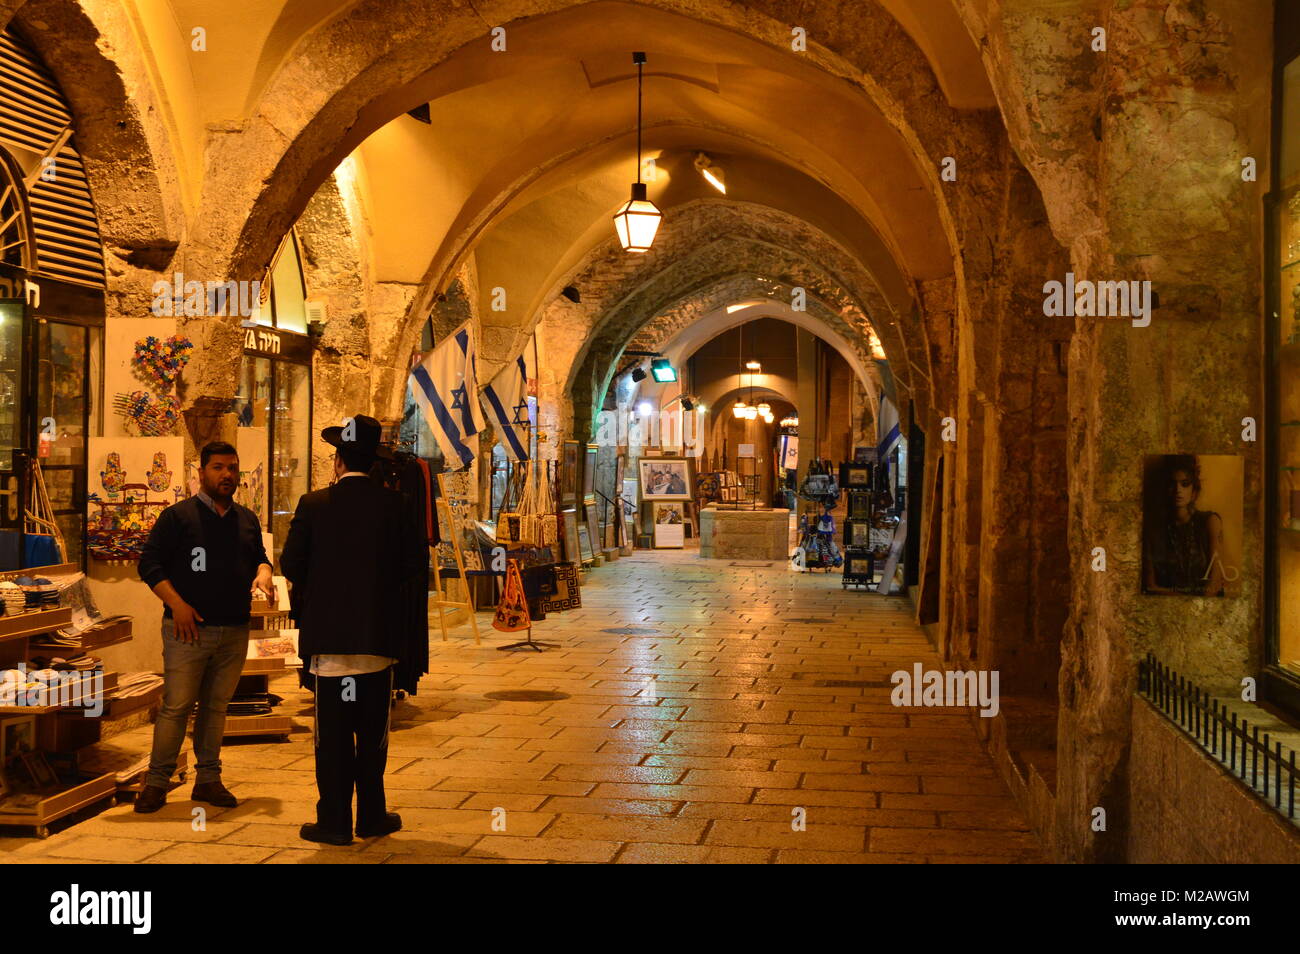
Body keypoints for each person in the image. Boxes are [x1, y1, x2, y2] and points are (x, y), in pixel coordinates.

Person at [281, 415, 426, 845]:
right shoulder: (396, 506)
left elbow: (291, 564)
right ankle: (372, 817)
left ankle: (334, 822)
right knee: (373, 739)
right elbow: (414, 567)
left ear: (339, 461)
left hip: (331, 651)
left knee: (333, 741)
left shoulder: (314, 505)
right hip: (377, 645)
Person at [135, 441, 274, 813]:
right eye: (218, 467)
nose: (227, 474)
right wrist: (177, 604)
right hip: (188, 632)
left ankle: (208, 780)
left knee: (216, 708)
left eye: (232, 468)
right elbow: (149, 565)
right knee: (177, 707)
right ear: (202, 473)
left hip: (233, 630)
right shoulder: (177, 517)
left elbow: (259, 557)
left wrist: (264, 573)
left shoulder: (246, 518)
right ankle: (157, 782)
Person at [1143, 455, 1226, 596]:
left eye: (1185, 484)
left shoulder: (1210, 521)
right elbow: (1150, 587)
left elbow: (1215, 581)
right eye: (1172, 484)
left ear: (1194, 490)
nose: (1178, 490)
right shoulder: (1153, 531)